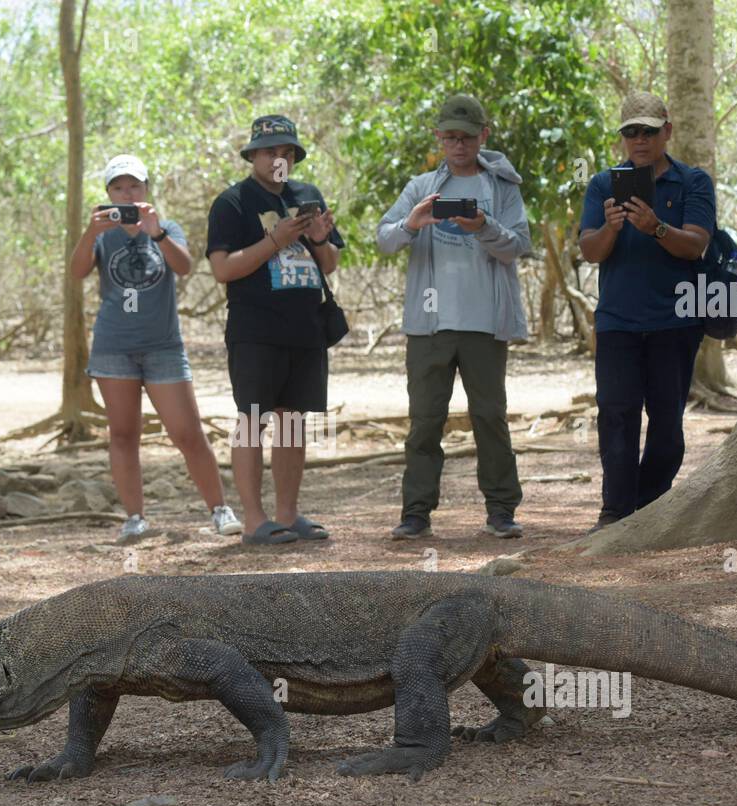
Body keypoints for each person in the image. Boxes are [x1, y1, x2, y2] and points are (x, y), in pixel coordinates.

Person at [375, 94, 532, 541]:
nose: (458, 144)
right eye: (449, 136)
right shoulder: (421, 186)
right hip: (430, 325)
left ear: (484, 135)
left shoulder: (501, 187)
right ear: (438, 138)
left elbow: (518, 244)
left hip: (485, 323)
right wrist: (413, 222)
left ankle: (502, 510)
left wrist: (483, 226)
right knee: (425, 420)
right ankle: (416, 513)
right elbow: (384, 240)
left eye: (466, 136)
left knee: (490, 417)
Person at [69, 153, 242, 544]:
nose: (127, 193)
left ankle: (219, 509)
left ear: (146, 189)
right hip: (114, 348)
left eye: (134, 186)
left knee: (188, 432)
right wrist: (89, 233)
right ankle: (134, 517)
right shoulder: (103, 234)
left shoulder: (167, 227)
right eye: (118, 187)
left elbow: (184, 267)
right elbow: (77, 272)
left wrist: (156, 232)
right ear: (109, 193)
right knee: (123, 434)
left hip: (164, 346)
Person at [578, 92, 714, 532]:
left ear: (666, 132)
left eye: (649, 131)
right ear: (622, 138)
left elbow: (696, 245)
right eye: (631, 132)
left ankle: (651, 509)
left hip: (675, 324)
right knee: (616, 417)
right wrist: (612, 228)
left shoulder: (693, 182)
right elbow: (589, 250)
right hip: (617, 323)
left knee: (667, 428)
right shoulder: (603, 185)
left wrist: (654, 226)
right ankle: (615, 513)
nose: (639, 140)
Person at [205, 115, 344, 545]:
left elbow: (331, 263)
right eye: (270, 152)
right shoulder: (233, 202)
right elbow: (222, 269)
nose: (279, 159)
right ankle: (253, 520)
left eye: (287, 152)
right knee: (252, 421)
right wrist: (276, 240)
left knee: (291, 423)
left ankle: (287, 514)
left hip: (305, 329)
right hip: (255, 329)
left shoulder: (308, 196)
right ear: (253, 156)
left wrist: (319, 240)